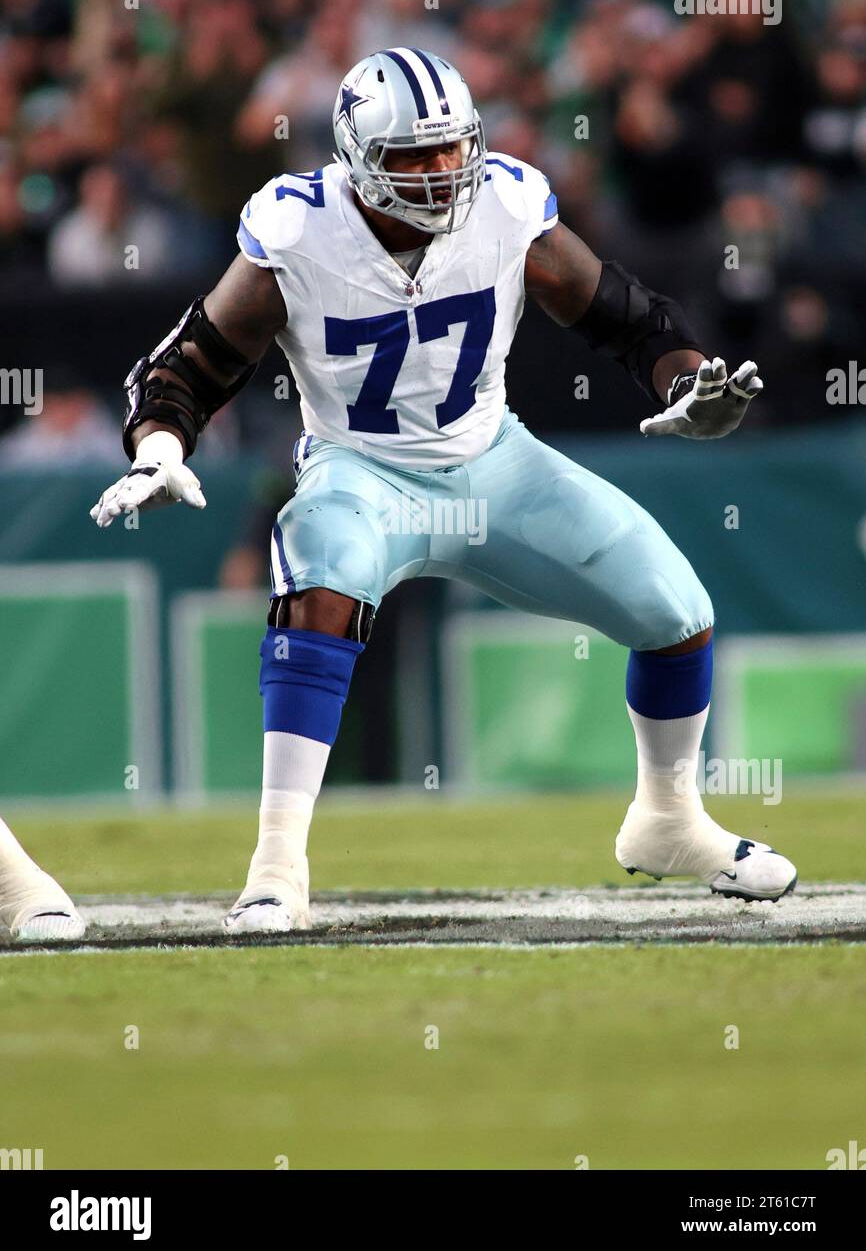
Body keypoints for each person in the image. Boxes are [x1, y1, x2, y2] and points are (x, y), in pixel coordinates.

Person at [89, 47, 795, 936]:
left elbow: (623, 313)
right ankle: (277, 864)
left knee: (676, 608)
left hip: (494, 462)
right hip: (361, 470)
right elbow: (190, 365)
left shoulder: (503, 204)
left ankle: (668, 819)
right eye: (414, 157)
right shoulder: (299, 231)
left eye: (452, 149)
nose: (442, 173)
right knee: (324, 577)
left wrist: (684, 382)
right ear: (355, 158)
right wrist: (160, 447)